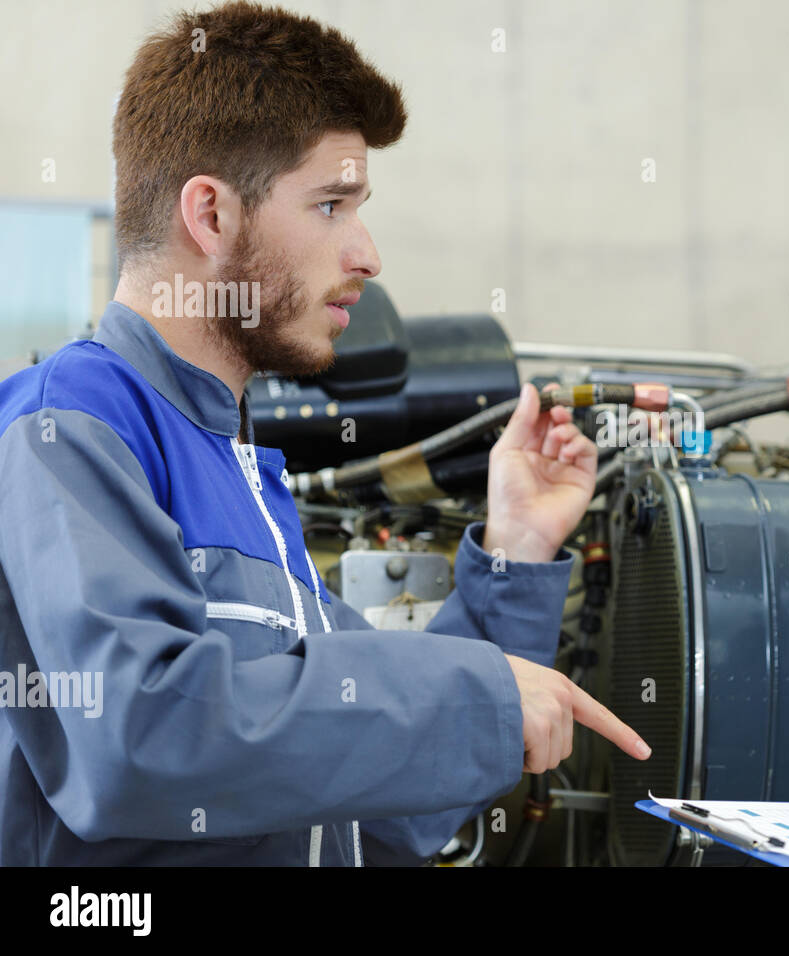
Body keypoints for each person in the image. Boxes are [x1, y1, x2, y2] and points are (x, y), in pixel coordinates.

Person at [0, 0, 648, 866]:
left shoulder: (238, 474)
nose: (369, 254)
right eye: (333, 205)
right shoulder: (67, 427)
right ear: (212, 215)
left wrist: (518, 551)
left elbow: (398, 807)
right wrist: (476, 699)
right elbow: (141, 737)